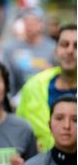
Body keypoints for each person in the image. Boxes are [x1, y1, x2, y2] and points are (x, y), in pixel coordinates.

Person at [17, 24, 77, 152]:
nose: (70, 51)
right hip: (40, 162)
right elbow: (18, 130)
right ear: (55, 51)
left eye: (76, 46)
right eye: (64, 44)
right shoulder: (33, 87)